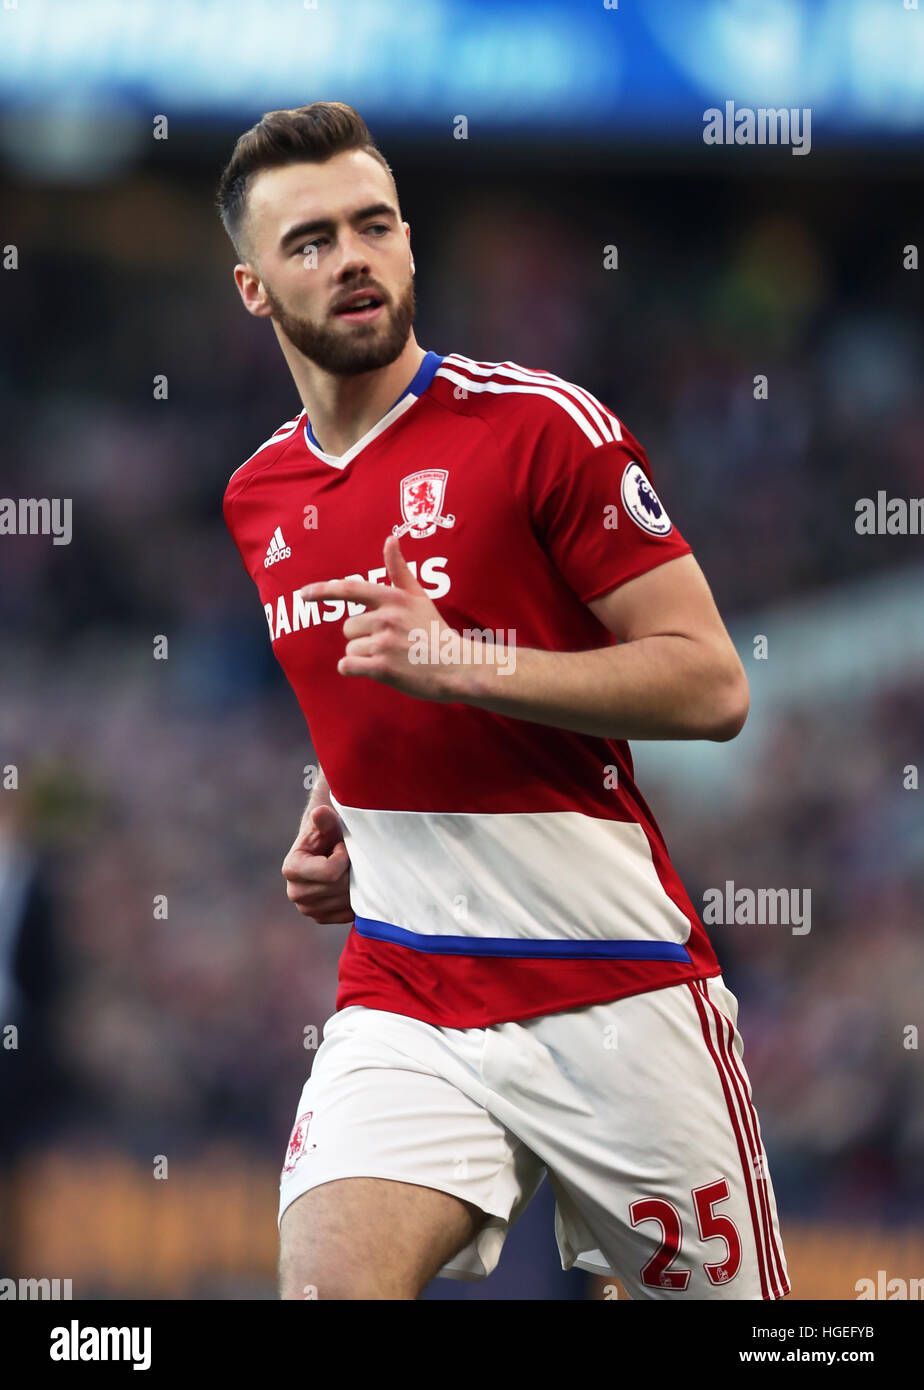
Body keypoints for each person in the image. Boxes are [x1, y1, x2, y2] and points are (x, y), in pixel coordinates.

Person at [217, 101, 789, 1301]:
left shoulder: (540, 429)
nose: (352, 257)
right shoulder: (257, 495)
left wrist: (465, 660)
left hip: (616, 993)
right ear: (255, 289)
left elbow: (713, 681)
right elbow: (369, 691)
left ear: (411, 246)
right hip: (405, 994)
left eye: (374, 226)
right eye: (311, 240)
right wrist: (344, 813)